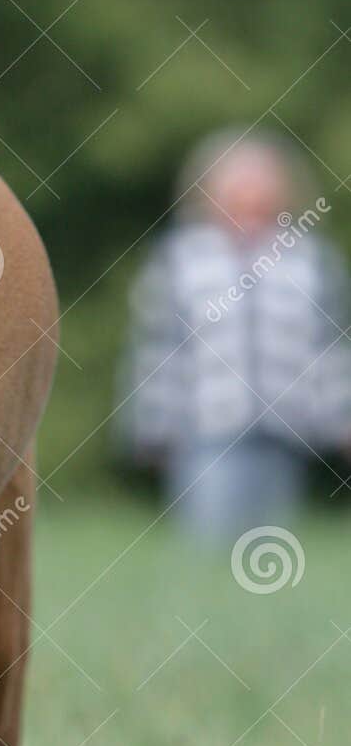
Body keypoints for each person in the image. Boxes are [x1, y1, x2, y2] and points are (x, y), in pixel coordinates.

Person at [121, 127, 351, 539]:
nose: (251, 197)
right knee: (211, 536)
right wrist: (153, 427)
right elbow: (160, 349)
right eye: (239, 186)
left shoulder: (308, 259)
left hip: (285, 427)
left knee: (274, 542)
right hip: (207, 429)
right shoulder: (182, 258)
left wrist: (342, 418)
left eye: (262, 185)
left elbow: (329, 348)